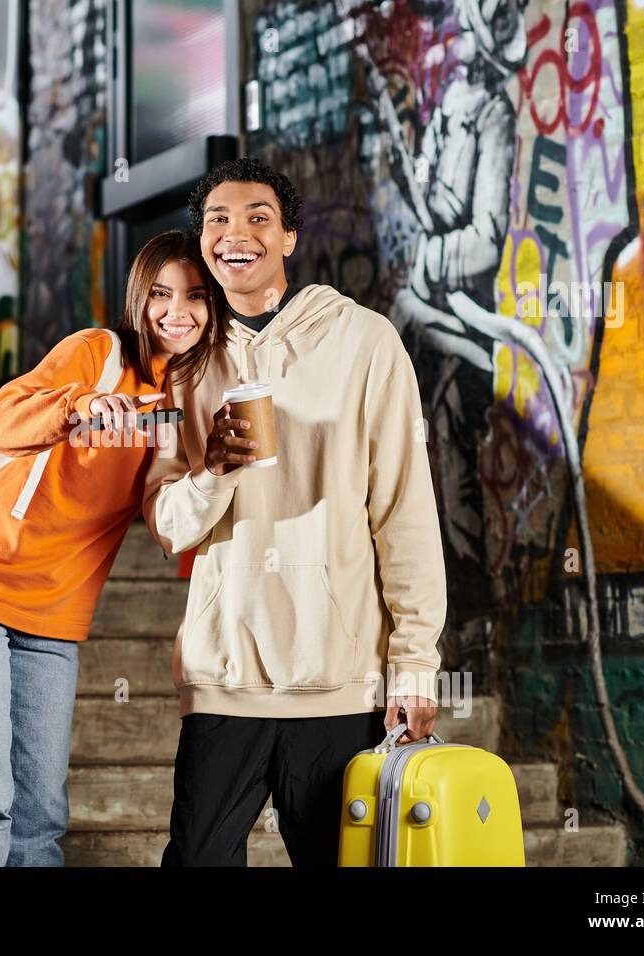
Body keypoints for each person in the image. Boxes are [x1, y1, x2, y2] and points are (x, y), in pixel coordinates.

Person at [142, 157, 448, 866]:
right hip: (226, 681)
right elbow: (167, 525)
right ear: (202, 241)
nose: (235, 233)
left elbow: (405, 514)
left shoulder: (366, 343)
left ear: (289, 238)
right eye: (217, 219)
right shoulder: (182, 363)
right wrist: (212, 471)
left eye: (257, 217)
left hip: (338, 678)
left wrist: (415, 665)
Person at [0, 229, 227, 865]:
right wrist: (79, 405)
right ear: (139, 300)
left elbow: (179, 521)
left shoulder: (189, 399)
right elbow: (2, 418)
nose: (177, 312)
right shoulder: (98, 351)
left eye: (195, 297)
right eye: (160, 294)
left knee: (41, 815)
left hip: (56, 616)